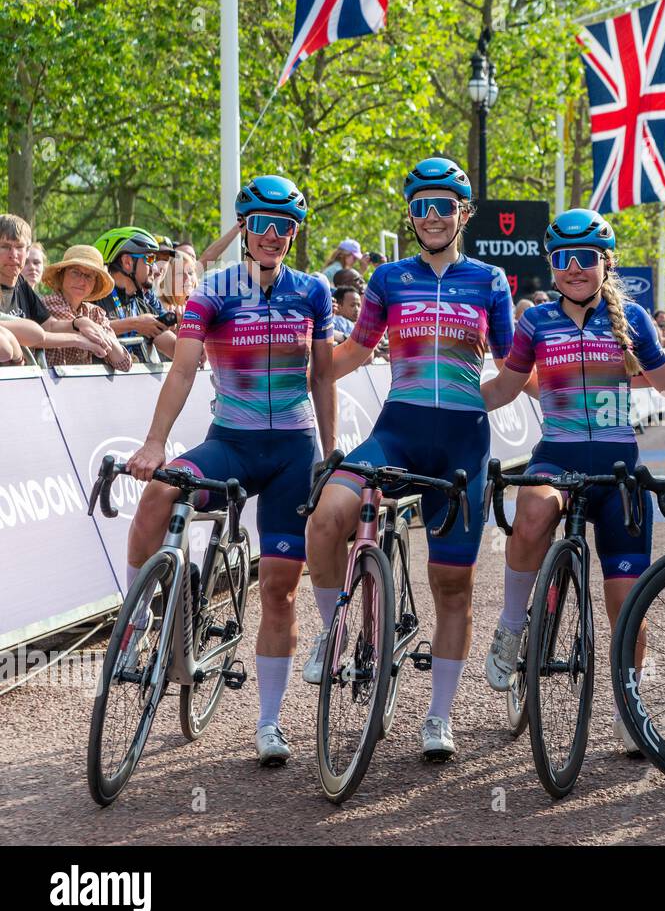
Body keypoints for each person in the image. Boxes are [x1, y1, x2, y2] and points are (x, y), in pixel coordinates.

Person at [305, 157, 513, 763]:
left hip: (462, 442)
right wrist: (301, 368)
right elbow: (354, 352)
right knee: (325, 517)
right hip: (396, 431)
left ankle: (440, 715)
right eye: (419, 207)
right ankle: (333, 635)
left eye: (441, 206)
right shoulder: (389, 279)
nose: (429, 217)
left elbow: (514, 363)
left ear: (463, 213)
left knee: (452, 583)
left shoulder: (490, 281)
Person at [125, 175, 336, 767]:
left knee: (277, 588)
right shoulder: (212, 292)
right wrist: (155, 441)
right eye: (262, 223)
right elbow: (185, 371)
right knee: (159, 492)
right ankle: (137, 616)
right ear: (244, 227)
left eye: (285, 225)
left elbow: (321, 377)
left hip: (293, 452)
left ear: (294, 233)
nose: (273, 235)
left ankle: (268, 723)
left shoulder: (313, 292)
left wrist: (328, 455)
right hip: (231, 444)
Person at [479, 208, 665, 755]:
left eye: (586, 259)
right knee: (531, 513)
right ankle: (511, 627)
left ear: (606, 264)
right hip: (557, 457)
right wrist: (451, 403)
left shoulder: (635, 321)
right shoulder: (536, 322)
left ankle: (631, 703)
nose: (575, 269)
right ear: (553, 266)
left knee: (628, 606)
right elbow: (507, 385)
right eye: (564, 260)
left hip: (618, 470)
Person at [1, 214, 113, 356]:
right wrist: (77, 339)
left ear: (27, 251)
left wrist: (78, 323)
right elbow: (36, 337)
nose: (13, 254)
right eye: (5, 247)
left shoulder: (21, 284)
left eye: (19, 247)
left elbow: (49, 325)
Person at [93, 226, 179, 361]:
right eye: (150, 259)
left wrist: (192, 327)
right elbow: (85, 330)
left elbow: (176, 349)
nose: (155, 269)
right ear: (127, 262)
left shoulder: (140, 303)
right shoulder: (94, 298)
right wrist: (134, 324)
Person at [40, 244, 132, 370]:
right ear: (62, 275)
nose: (82, 281)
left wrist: (99, 335)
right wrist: (101, 333)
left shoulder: (96, 312)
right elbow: (81, 330)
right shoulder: (47, 304)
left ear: (95, 283)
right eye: (75, 273)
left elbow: (124, 363)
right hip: (47, 385)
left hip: (83, 385)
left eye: (89, 276)